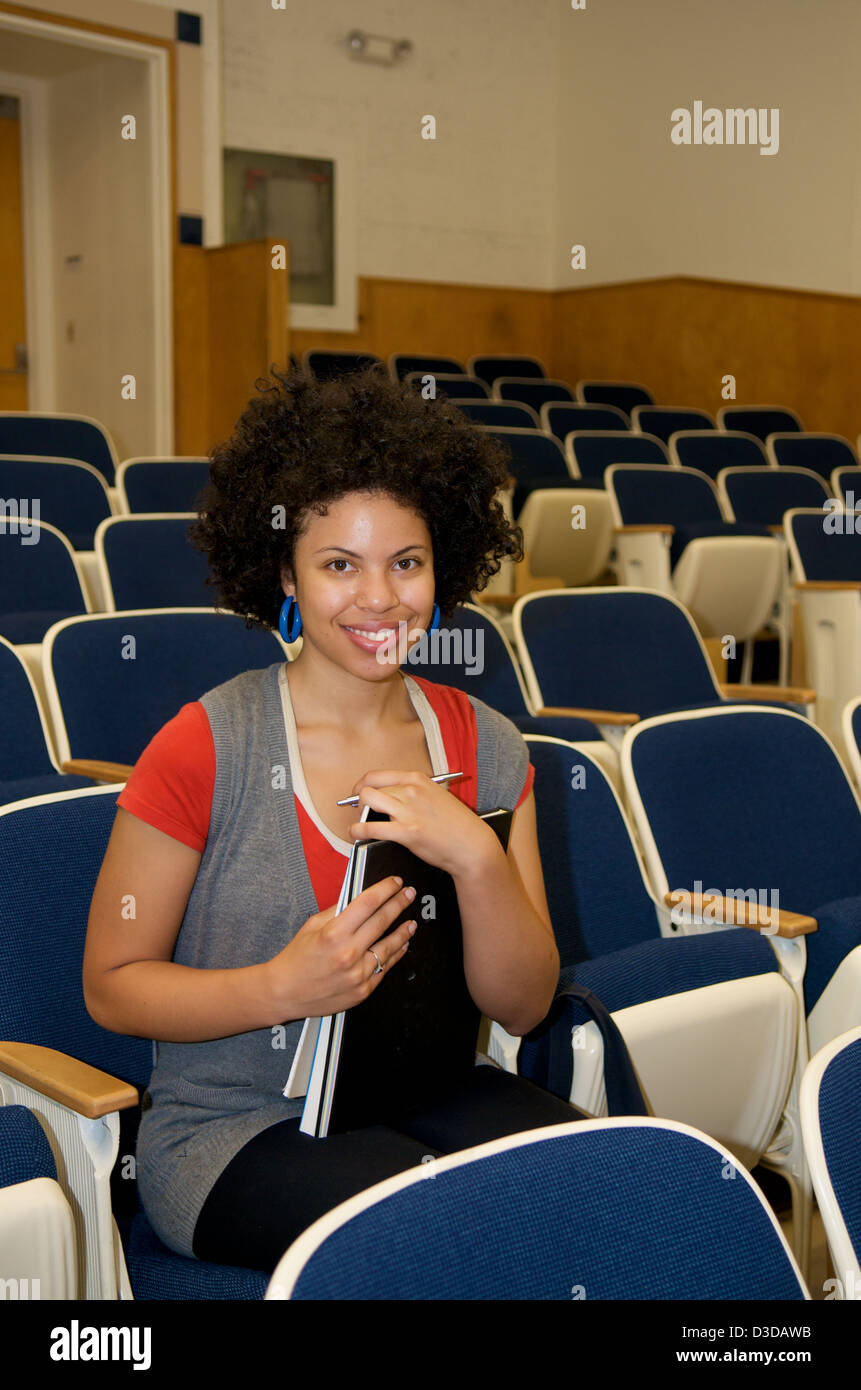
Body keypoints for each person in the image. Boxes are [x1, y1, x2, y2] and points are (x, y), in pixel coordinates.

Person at [83, 366, 581, 1274]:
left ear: (445, 564)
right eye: (339, 565)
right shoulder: (205, 745)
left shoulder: (491, 744)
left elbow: (524, 1002)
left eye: (406, 562)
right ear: (285, 572)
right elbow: (111, 986)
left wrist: (477, 855)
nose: (380, 600)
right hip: (232, 1134)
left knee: (610, 1183)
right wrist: (282, 987)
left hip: (430, 1094)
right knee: (450, 1241)